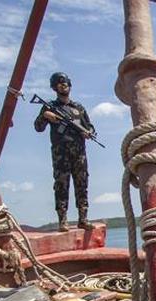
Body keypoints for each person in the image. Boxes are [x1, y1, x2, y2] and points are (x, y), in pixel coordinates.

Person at [33, 72, 94, 231]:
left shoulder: (78, 108)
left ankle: (83, 218)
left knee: (82, 184)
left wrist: (89, 132)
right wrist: (45, 115)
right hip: (60, 154)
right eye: (59, 83)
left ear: (69, 85)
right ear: (54, 87)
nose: (63, 85)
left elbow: (90, 127)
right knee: (61, 185)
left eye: (65, 82)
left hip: (79, 154)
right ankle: (63, 221)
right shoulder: (49, 107)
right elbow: (38, 127)